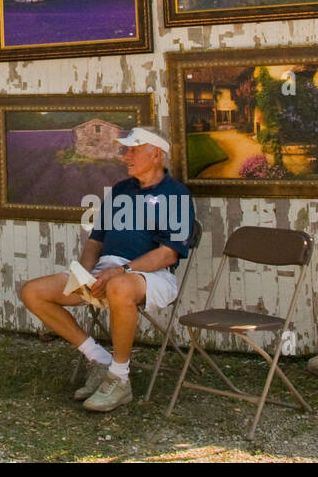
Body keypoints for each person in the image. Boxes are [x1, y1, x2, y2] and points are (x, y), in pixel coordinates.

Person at [19, 127, 194, 413]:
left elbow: (167, 254)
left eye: (134, 150)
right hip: (105, 272)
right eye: (126, 150)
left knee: (119, 286)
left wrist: (121, 270)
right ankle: (99, 359)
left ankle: (120, 379)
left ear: (156, 155)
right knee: (33, 292)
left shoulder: (176, 194)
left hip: (150, 276)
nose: (126, 156)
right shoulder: (120, 190)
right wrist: (84, 275)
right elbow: (95, 242)